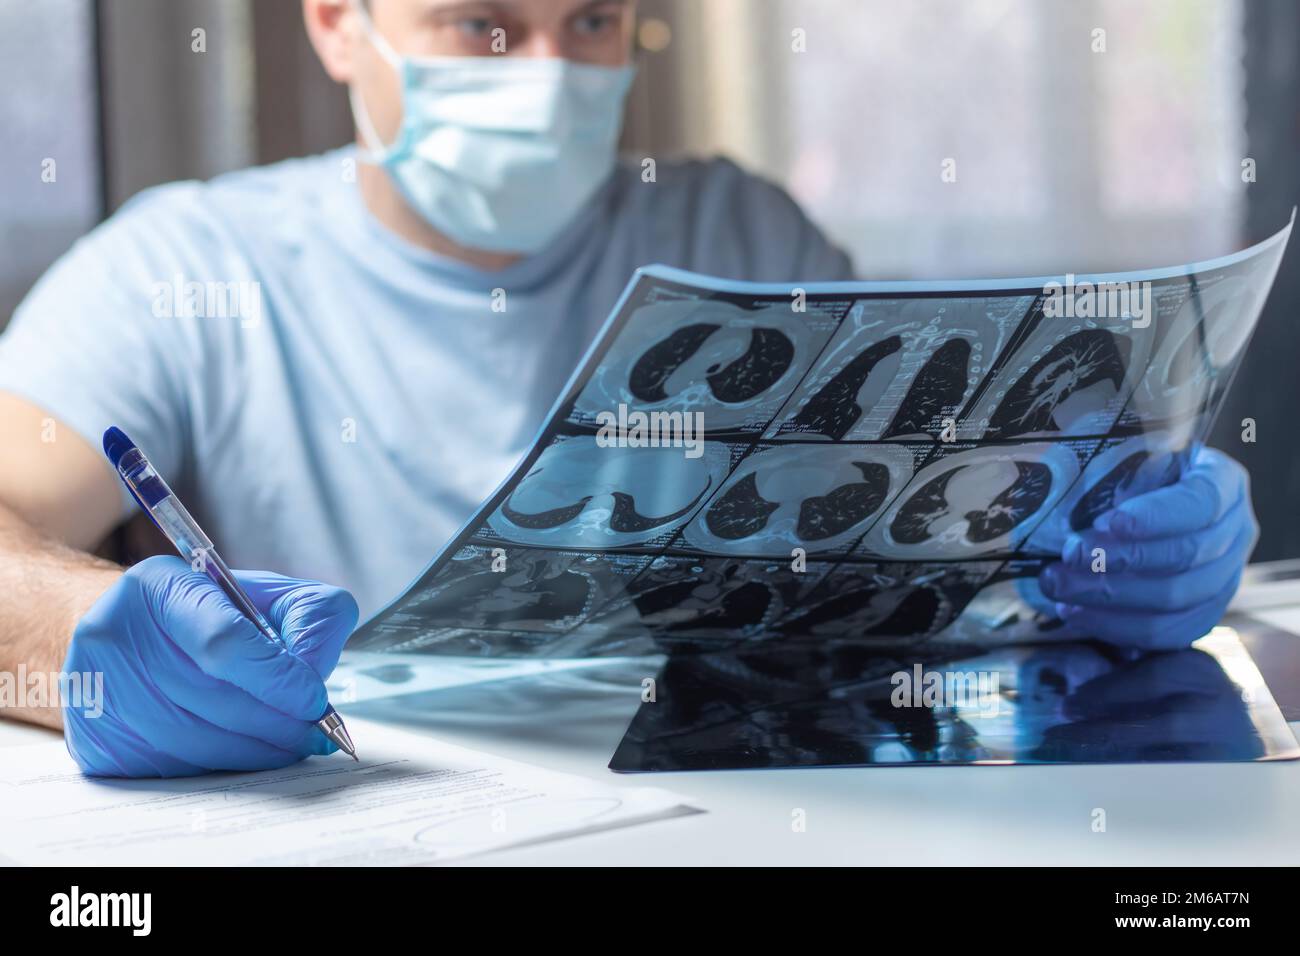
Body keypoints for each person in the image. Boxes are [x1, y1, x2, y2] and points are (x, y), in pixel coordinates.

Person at [0, 0, 1257, 776]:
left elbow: (924, 535)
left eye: (590, 21)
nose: (548, 72)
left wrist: (1103, 541)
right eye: (484, 25)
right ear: (338, 19)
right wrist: (85, 641)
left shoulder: (738, 233)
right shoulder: (182, 264)